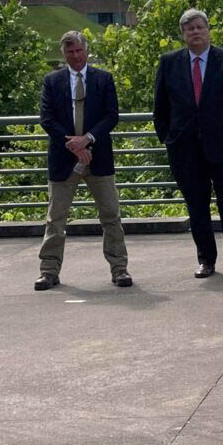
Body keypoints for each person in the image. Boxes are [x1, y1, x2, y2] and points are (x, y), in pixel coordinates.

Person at [154, 9, 223, 278]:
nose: (195, 32)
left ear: (208, 30)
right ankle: (206, 260)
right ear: (183, 34)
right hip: (184, 149)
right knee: (196, 206)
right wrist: (168, 138)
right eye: (189, 29)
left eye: (199, 27)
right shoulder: (169, 62)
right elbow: (160, 107)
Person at [35, 31, 131, 290]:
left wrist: (87, 139)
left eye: (79, 51)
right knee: (56, 218)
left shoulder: (103, 79)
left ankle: (119, 268)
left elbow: (111, 116)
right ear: (63, 54)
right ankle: (49, 271)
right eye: (70, 52)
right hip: (64, 160)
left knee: (111, 215)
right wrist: (74, 146)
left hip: (98, 158)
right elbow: (47, 119)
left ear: (86, 51)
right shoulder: (52, 81)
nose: (75, 56)